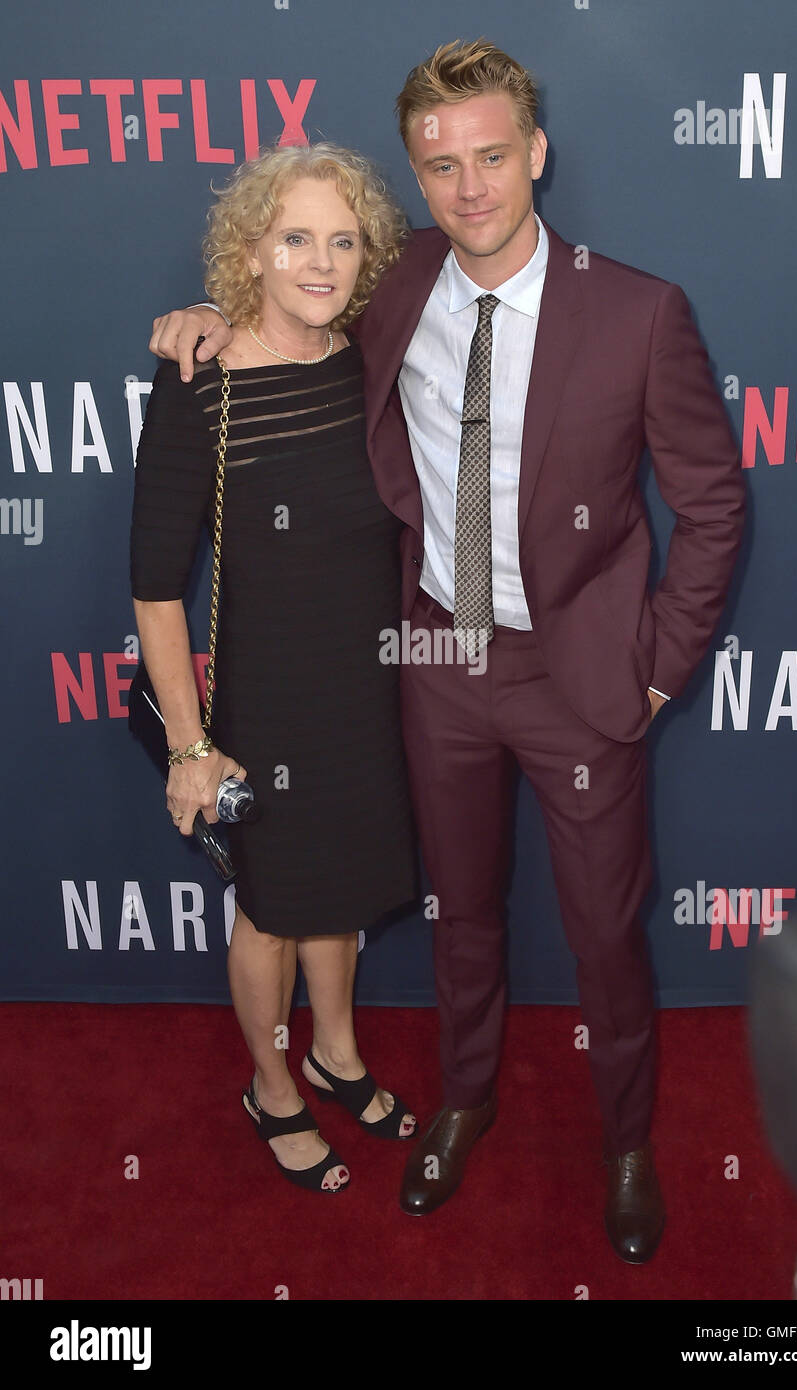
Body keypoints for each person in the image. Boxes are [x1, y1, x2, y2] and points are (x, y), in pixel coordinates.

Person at [148, 39, 746, 1260]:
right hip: (436, 666)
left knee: (600, 933)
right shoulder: (394, 283)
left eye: (489, 157)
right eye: (440, 166)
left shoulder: (638, 311)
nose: (468, 188)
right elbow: (286, 302)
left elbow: (714, 502)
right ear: (417, 181)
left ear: (533, 153)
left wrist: (654, 669)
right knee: (462, 913)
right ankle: (464, 1099)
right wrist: (200, 314)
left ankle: (624, 1139)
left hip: (583, 680)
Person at [131, 141, 418, 1196]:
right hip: (266, 698)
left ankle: (334, 1053)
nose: (320, 261)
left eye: (342, 241)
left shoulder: (366, 359)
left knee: (335, 894)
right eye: (295, 237)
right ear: (250, 253)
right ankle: (270, 1082)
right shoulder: (196, 381)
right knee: (272, 905)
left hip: (368, 690)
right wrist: (191, 742)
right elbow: (156, 586)